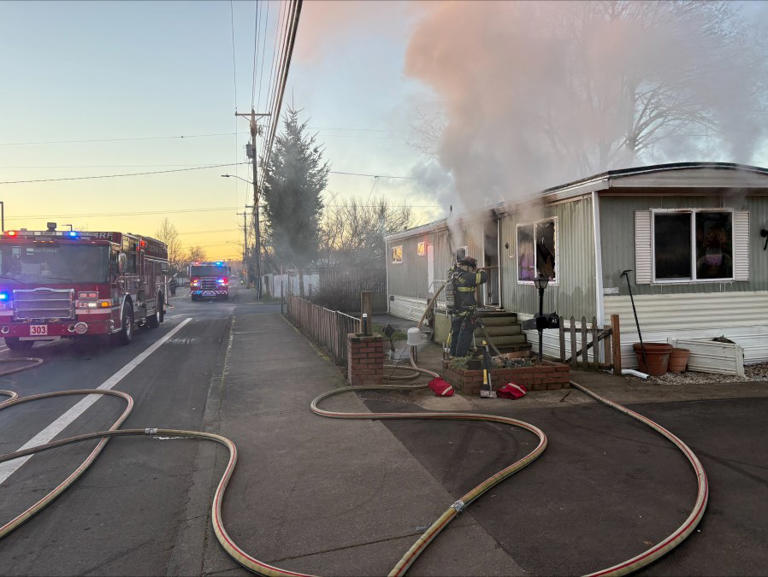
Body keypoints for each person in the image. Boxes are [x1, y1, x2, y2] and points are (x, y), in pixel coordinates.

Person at [448, 256, 488, 357]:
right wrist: (481, 270)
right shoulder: (468, 277)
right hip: (467, 313)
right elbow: (483, 277)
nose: (472, 271)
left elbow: (450, 270)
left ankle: (453, 356)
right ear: (467, 267)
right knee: (465, 337)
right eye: (472, 268)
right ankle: (459, 359)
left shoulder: (453, 275)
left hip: (456, 312)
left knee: (456, 335)